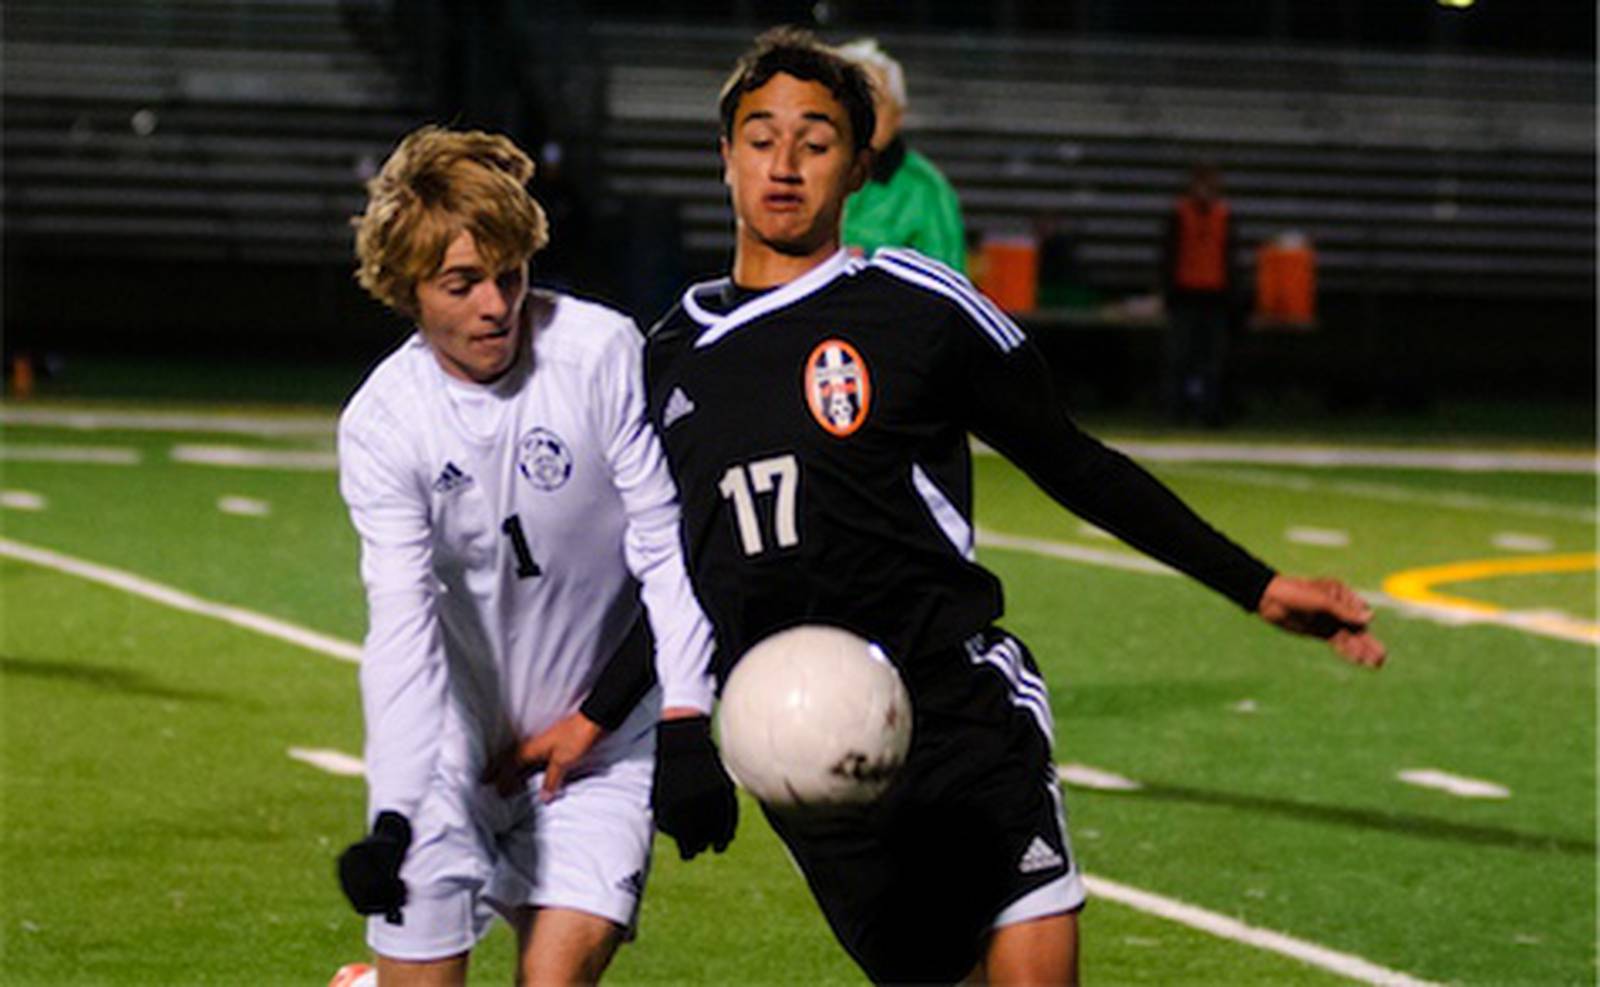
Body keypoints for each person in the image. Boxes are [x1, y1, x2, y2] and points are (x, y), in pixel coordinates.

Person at [643, 28, 1386, 986]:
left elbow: (1074, 462)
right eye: (760, 136)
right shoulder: (666, 358)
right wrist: (660, 726)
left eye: (816, 141)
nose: (784, 164)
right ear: (725, 155)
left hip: (956, 706)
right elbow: (662, 566)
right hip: (796, 743)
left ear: (859, 166)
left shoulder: (917, 306)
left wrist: (1257, 584)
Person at [335, 125, 732, 986]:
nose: (496, 305)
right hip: (453, 752)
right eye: (462, 283)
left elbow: (666, 549)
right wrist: (396, 815)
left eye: (509, 275)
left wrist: (688, 718)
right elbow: (401, 631)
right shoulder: (383, 424)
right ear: (406, 288)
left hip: (602, 749)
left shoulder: (599, 352)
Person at [837, 38, 967, 272]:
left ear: (899, 115)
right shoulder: (798, 172)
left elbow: (946, 285)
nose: (863, 114)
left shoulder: (925, 189)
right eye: (851, 101)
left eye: (876, 102)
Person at [1161, 161, 1239, 426]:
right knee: (1179, 358)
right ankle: (1176, 412)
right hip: (1185, 294)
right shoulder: (1180, 213)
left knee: (1213, 361)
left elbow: (1231, 256)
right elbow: (1168, 254)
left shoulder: (1224, 215)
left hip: (1215, 295)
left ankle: (1210, 413)